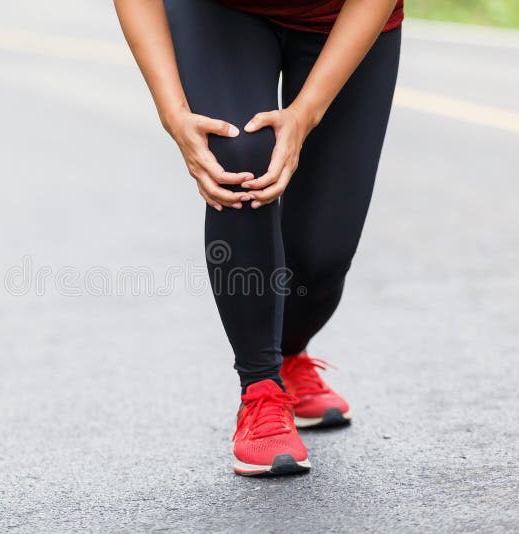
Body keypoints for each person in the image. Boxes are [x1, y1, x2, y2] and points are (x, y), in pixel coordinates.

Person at [114, 0, 403, 476]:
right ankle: (261, 388)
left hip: (342, 15)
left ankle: (288, 354)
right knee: (240, 154)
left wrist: (305, 113)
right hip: (222, 10)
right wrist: (174, 113)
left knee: (320, 258)